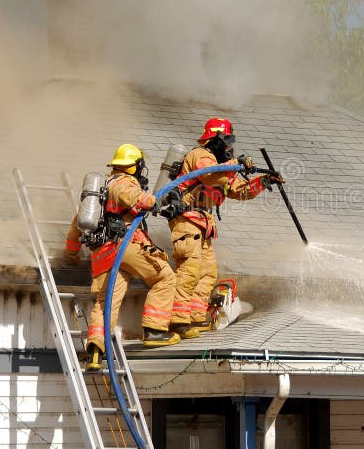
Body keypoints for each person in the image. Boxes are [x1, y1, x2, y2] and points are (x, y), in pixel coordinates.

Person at [165, 117, 283, 339]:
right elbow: (207, 175)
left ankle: (195, 317)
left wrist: (265, 181)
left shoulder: (222, 169)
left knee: (208, 273)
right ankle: (178, 320)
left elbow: (239, 190)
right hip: (186, 219)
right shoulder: (200, 155)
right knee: (190, 270)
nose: (229, 147)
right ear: (216, 139)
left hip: (202, 223)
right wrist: (235, 164)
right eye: (227, 142)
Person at [65, 143, 180, 372]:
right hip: (126, 245)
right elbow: (138, 199)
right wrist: (157, 201)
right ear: (134, 167)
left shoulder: (98, 194)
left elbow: (75, 229)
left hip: (103, 255)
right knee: (164, 278)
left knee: (104, 302)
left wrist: (71, 254)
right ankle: (155, 331)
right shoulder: (122, 183)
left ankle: (96, 353)